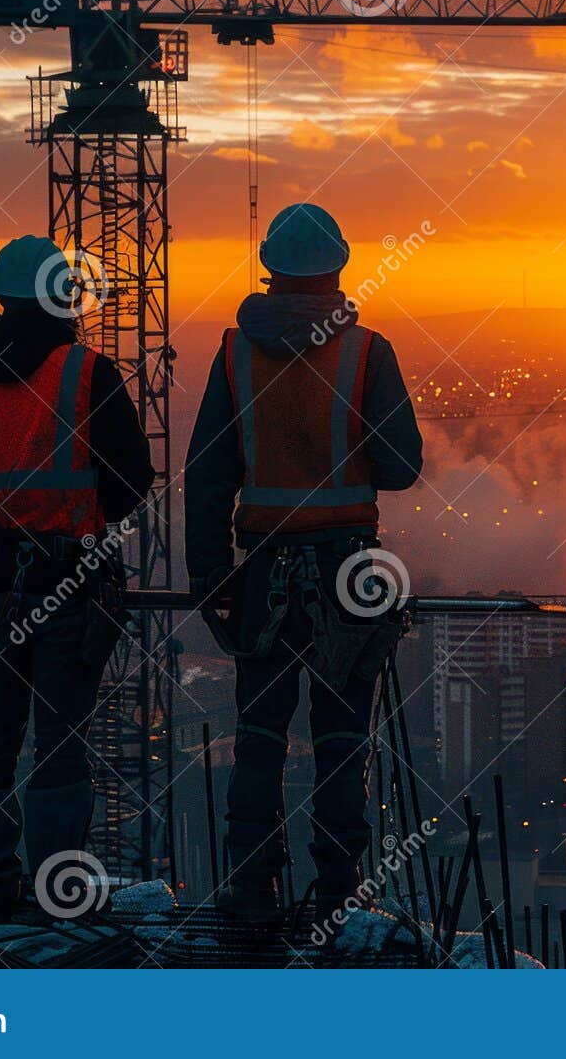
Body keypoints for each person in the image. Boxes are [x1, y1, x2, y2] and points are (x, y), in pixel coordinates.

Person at [185, 202, 423, 924]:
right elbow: (402, 466)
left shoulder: (234, 353)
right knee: (342, 738)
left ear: (273, 272)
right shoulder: (366, 353)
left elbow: (207, 472)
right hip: (348, 573)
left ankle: (251, 888)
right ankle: (338, 890)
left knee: (258, 736)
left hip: (261, 573)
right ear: (337, 272)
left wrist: (208, 574)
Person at [0, 234, 154, 918]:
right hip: (64, 584)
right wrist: (73, 517)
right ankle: (59, 893)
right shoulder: (85, 371)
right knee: (60, 745)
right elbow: (131, 480)